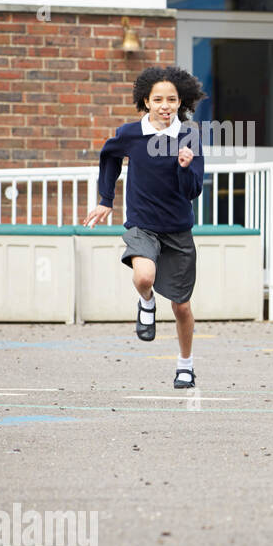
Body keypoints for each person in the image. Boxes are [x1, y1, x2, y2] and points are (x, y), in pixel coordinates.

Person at [84, 66, 205, 389]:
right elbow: (109, 157)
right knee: (144, 276)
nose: (165, 105)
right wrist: (105, 199)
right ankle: (147, 301)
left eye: (172, 100)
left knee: (181, 306)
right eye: (158, 99)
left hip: (178, 229)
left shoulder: (189, 135)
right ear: (146, 102)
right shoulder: (130, 134)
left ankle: (185, 365)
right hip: (142, 224)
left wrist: (185, 167)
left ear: (181, 102)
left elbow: (193, 190)